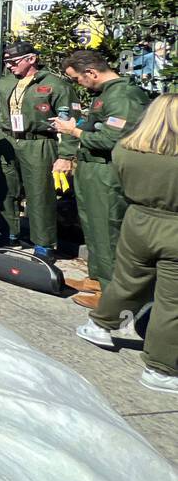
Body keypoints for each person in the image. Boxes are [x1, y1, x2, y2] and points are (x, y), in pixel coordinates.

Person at [73, 95, 178, 393]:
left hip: (138, 221)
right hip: (174, 228)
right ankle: (161, 367)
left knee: (127, 281)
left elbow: (119, 181)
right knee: (172, 303)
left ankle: (101, 325)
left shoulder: (128, 148)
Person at [54, 48, 153, 306]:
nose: (78, 84)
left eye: (78, 79)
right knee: (93, 227)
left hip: (107, 172)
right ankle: (97, 279)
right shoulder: (105, 94)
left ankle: (112, 296)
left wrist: (73, 131)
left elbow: (113, 138)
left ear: (91, 72)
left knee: (108, 229)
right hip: (92, 170)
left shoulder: (123, 96)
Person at [0, 41, 75, 258]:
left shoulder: (56, 85)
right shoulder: (4, 84)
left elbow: (71, 121)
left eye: (14, 62)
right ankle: (8, 233)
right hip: (6, 140)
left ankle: (43, 243)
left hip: (39, 142)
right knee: (6, 189)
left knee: (39, 193)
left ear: (31, 59)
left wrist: (66, 155)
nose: (9, 66)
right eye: (6, 62)